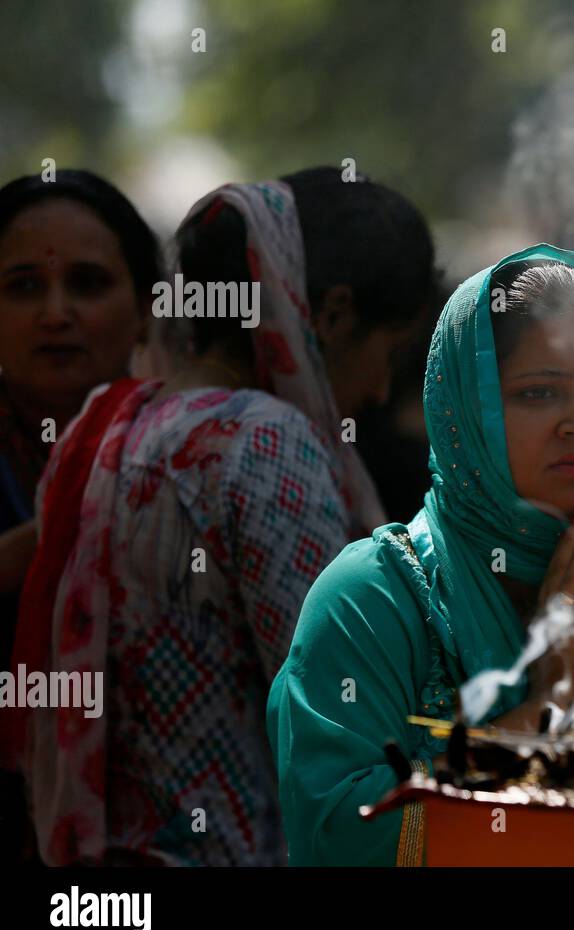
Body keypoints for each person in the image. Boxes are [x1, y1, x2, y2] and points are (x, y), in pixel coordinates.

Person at [8, 169, 436, 865]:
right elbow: (339, 717)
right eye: (386, 354)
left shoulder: (112, 427)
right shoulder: (265, 441)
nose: (383, 389)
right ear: (329, 315)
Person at [268, 244, 574, 865]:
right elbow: (342, 839)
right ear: (464, 410)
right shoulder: (372, 600)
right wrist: (546, 711)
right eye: (540, 394)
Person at [0, 170, 161, 865]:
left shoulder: (194, 461)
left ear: (148, 309)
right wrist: (67, 521)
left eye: (89, 284)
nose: (55, 313)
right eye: (23, 287)